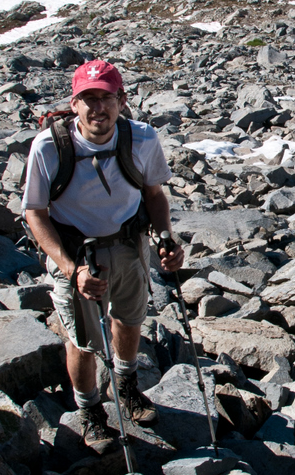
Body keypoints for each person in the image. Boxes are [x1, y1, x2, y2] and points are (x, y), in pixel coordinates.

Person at [22, 59, 185, 453]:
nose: (98, 108)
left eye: (106, 98)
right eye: (89, 99)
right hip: (76, 254)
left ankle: (125, 387)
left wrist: (165, 238)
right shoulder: (49, 147)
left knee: (129, 319)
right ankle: (91, 410)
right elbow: (35, 214)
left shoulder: (141, 138)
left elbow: (154, 195)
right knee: (82, 341)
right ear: (74, 104)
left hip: (128, 244)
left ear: (121, 101)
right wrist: (71, 270)